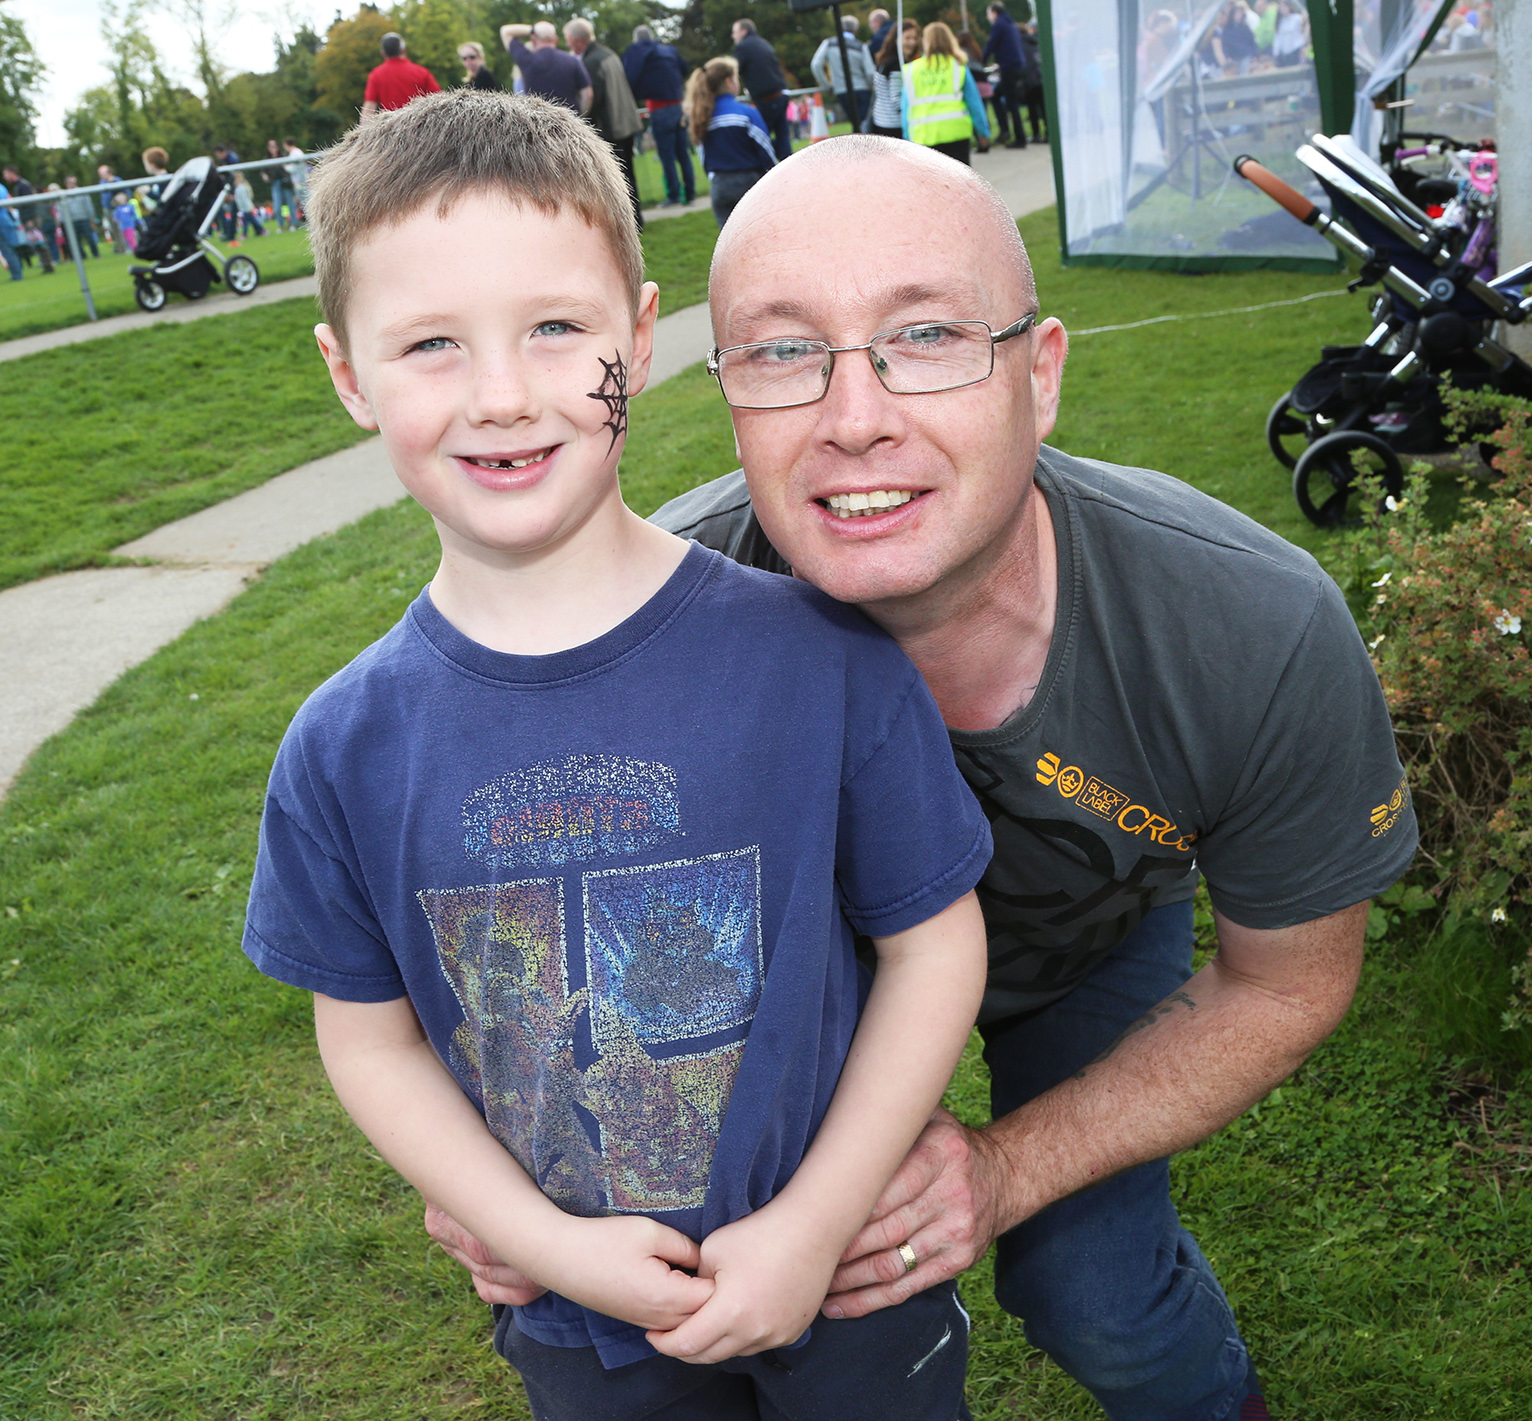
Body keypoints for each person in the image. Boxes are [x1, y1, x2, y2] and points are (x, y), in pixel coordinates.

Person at [429, 135, 1420, 1421]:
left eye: (930, 335)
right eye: (784, 352)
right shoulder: (626, 643)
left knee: (1097, 1295)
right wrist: (504, 1170)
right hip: (787, 986)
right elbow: (504, 915)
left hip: (1082, 944)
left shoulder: (1247, 629)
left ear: (1039, 372)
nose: (854, 419)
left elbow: (1288, 979)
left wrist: (1002, 1170)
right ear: (724, 387)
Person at [248, 88, 991, 1421]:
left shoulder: (820, 659)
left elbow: (937, 944)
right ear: (347, 376)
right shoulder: (340, 750)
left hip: (855, 1294)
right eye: (429, 344)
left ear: (639, 341)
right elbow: (370, 1046)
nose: (502, 395)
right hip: (581, 1332)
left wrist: (815, 1223)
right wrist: (548, 1247)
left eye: (554, 328)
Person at [563, 18, 644, 232]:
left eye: (568, 40)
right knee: (629, 176)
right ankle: (637, 220)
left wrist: (581, 120)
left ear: (578, 40)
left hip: (612, 127)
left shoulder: (591, 62)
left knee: (617, 180)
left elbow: (594, 98)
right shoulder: (608, 54)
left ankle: (628, 225)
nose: (568, 45)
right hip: (626, 122)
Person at [685, 56, 775, 228]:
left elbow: (703, 156)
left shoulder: (702, 117)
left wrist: (715, 178)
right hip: (750, 183)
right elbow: (765, 149)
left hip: (720, 185)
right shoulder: (746, 113)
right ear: (729, 82)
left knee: (729, 245)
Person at [624, 25, 694, 206]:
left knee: (666, 156)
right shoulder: (668, 51)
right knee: (683, 154)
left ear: (636, 40)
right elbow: (685, 68)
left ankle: (674, 196)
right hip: (678, 107)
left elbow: (630, 77)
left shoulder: (639, 53)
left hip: (659, 109)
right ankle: (691, 193)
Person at [902, 23, 990, 165]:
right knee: (959, 182)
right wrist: (983, 132)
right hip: (955, 133)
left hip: (924, 135)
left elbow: (906, 109)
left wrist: (907, 138)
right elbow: (974, 104)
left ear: (926, 42)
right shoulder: (957, 66)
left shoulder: (912, 70)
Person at [729, 19, 792, 162]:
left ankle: (764, 173)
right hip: (780, 94)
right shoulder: (763, 42)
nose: (733, 36)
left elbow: (732, 70)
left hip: (768, 99)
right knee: (783, 140)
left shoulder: (743, 47)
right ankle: (788, 172)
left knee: (759, 139)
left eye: (735, 32)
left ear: (743, 31)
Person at [501, 22, 592, 116]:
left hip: (538, 124)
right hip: (569, 123)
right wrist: (580, 118)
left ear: (533, 40)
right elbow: (588, 95)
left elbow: (505, 32)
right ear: (556, 40)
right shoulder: (573, 61)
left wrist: (533, 30)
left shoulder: (527, 60)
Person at [810, 15, 876, 133]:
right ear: (855, 29)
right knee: (866, 127)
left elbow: (816, 65)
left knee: (855, 125)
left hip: (842, 91)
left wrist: (826, 84)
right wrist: (870, 85)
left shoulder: (828, 44)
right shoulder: (861, 46)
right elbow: (870, 72)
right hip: (862, 91)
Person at [361, 32, 442, 121]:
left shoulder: (376, 75)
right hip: (420, 128)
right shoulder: (422, 72)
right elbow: (440, 101)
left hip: (391, 130)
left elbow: (368, 109)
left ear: (383, 53)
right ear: (403, 50)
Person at [981, 2, 1029, 148]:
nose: (988, 17)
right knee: (997, 96)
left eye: (988, 14)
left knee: (1011, 103)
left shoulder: (999, 25)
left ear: (994, 13)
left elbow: (991, 45)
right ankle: (1005, 131)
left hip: (1009, 68)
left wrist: (980, 61)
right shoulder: (1010, 23)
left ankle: (1018, 137)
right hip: (1016, 66)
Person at [869, 21, 918, 138]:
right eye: (907, 38)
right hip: (894, 125)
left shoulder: (884, 60)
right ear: (896, 39)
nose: (912, 42)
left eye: (915, 38)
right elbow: (897, 99)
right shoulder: (896, 65)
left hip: (880, 121)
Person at [2, 164, 52, 273]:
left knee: (39, 241)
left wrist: (29, 220)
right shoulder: (20, 185)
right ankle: (46, 265)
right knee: (36, 242)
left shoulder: (23, 185)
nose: (4, 177)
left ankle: (48, 266)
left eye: (5, 174)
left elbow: (30, 203)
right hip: (28, 218)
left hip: (31, 218)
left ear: (11, 173)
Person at [59, 176, 99, 258]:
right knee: (76, 241)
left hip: (84, 219)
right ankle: (82, 256)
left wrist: (92, 217)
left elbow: (89, 205)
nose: (72, 184)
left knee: (90, 238)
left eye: (73, 182)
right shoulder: (64, 195)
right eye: (70, 182)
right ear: (66, 184)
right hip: (72, 221)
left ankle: (96, 254)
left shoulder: (82, 192)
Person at [261, 139, 292, 231]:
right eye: (270, 147)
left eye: (274, 146)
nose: (272, 149)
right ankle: (281, 225)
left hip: (285, 182)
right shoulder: (266, 159)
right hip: (275, 183)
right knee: (277, 206)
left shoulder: (283, 156)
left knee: (291, 204)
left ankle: (293, 223)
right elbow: (263, 170)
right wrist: (264, 175)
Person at [283, 139, 310, 222]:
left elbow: (293, 169)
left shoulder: (294, 153)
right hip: (302, 179)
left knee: (305, 201)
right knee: (305, 201)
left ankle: (310, 220)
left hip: (299, 180)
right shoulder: (298, 151)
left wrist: (284, 166)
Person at [0, 179, 23, 281]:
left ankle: (17, 275)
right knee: (11, 248)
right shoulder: (2, 187)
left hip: (2, 222)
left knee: (8, 250)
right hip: (6, 220)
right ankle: (17, 273)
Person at [231, 173, 264, 238]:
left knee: (246, 221)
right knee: (251, 220)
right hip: (245, 208)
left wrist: (245, 207)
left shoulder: (241, 188)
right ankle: (261, 230)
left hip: (246, 208)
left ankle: (245, 234)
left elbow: (244, 199)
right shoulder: (240, 187)